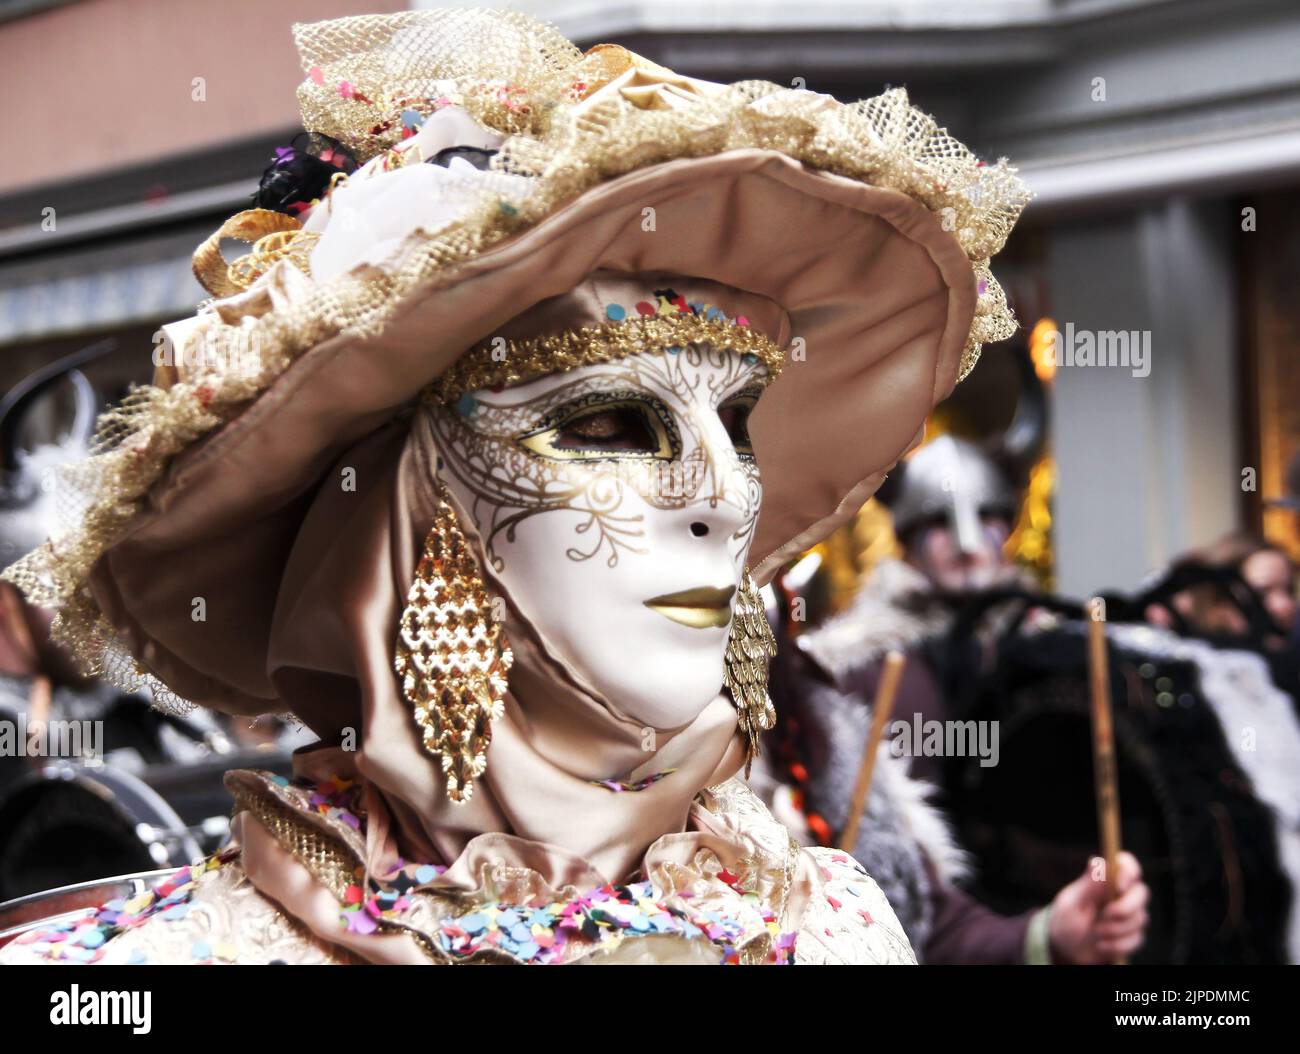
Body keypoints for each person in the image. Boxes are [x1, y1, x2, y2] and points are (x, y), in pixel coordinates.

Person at [0, 8, 1027, 964]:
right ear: (400, 515)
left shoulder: (835, 925)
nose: (724, 499)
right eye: (610, 425)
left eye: (740, 421)